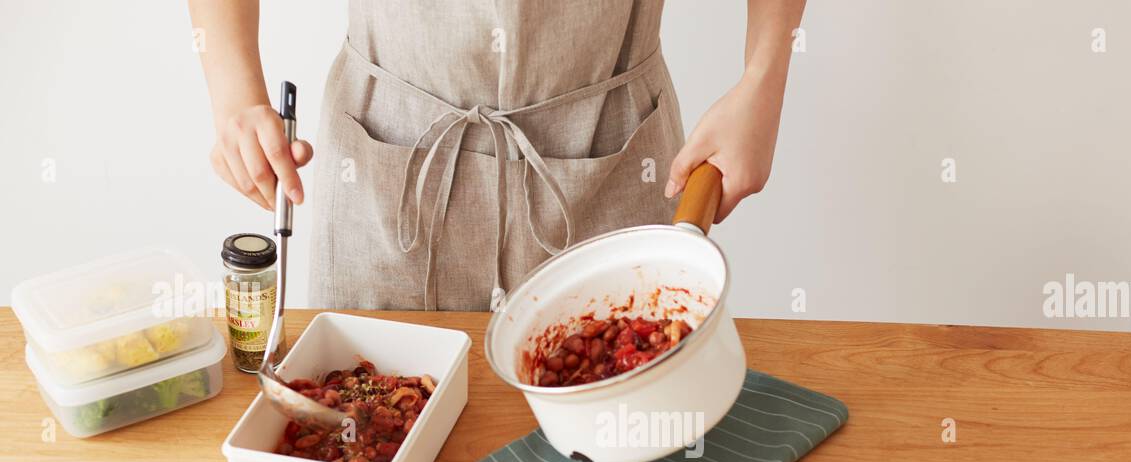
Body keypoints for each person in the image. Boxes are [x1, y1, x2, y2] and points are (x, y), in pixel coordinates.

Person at [191, 0, 805, 311]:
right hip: (385, 171)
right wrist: (233, 94)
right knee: (361, 436)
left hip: (608, 154)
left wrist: (764, 80)